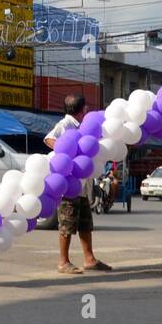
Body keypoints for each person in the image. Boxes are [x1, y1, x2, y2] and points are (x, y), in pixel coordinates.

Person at [45, 95, 111, 274]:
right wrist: (67, 150)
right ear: (83, 109)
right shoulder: (65, 125)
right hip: (68, 183)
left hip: (81, 183)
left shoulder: (84, 126)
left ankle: (89, 259)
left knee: (85, 223)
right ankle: (63, 261)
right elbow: (49, 139)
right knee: (67, 223)